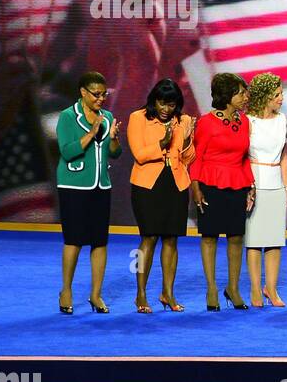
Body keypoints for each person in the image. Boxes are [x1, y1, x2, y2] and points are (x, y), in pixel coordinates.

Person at [57, 71, 122, 314]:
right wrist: (91, 134)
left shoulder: (108, 117)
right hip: (74, 186)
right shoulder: (66, 117)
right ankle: (66, 290)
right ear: (83, 93)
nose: (101, 99)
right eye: (96, 94)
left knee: (99, 241)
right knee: (74, 240)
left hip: (100, 186)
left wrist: (114, 139)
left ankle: (96, 295)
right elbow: (67, 151)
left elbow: (115, 153)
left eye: (104, 94)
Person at [127, 78, 194, 313]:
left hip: (175, 185)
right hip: (147, 186)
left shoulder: (183, 121)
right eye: (163, 104)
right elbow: (139, 154)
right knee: (148, 238)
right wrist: (161, 144)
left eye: (172, 104)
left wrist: (186, 141)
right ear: (154, 101)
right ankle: (141, 294)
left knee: (171, 239)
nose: (167, 109)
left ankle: (168, 293)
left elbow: (188, 159)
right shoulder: (138, 118)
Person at [190, 72, 252, 311]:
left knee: (236, 237)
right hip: (210, 184)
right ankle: (212, 289)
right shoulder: (206, 122)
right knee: (210, 237)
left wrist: (250, 185)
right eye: (240, 92)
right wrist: (195, 188)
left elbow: (245, 157)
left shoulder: (244, 121)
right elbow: (197, 158)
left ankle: (233, 288)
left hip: (237, 183)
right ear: (226, 95)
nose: (245, 96)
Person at [244, 72, 287, 308]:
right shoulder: (248, 121)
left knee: (274, 240)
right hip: (254, 183)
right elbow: (242, 156)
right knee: (254, 240)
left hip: (276, 184)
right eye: (277, 94)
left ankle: (270, 288)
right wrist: (248, 186)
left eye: (281, 93)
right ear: (264, 96)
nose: (281, 98)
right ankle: (254, 288)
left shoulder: (283, 120)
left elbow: (283, 156)